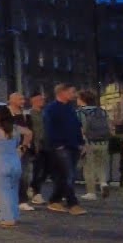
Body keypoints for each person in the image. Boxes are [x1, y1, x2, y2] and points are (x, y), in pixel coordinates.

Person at [43, 84, 86, 215]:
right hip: (61, 146)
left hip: (72, 145)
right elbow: (49, 128)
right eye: (72, 91)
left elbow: (76, 126)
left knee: (65, 175)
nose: (74, 94)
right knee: (69, 175)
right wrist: (57, 144)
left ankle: (54, 200)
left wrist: (81, 142)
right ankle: (72, 203)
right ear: (62, 92)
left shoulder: (70, 108)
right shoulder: (52, 109)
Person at [0, 106, 32, 228]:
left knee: (3, 191)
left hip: (0, 161)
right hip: (15, 160)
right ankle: (14, 215)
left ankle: (8, 217)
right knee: (13, 189)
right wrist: (23, 146)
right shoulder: (16, 128)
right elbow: (29, 133)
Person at [77, 89, 112, 200]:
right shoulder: (102, 111)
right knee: (101, 165)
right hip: (103, 142)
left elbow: (80, 129)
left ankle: (91, 192)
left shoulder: (80, 112)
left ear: (82, 100)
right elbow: (110, 127)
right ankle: (103, 183)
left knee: (88, 168)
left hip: (89, 143)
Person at [6, 93, 36, 213]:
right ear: (11, 100)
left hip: (24, 148)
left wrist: (25, 146)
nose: (23, 101)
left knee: (25, 175)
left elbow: (30, 131)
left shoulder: (25, 114)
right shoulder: (6, 113)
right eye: (20, 99)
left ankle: (22, 200)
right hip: (10, 148)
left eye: (23, 98)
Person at [27, 92, 50, 204]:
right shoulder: (30, 114)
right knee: (38, 169)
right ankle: (37, 193)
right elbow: (31, 131)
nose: (43, 101)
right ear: (34, 101)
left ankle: (32, 187)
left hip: (47, 144)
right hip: (37, 145)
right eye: (40, 99)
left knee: (46, 169)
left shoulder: (45, 113)